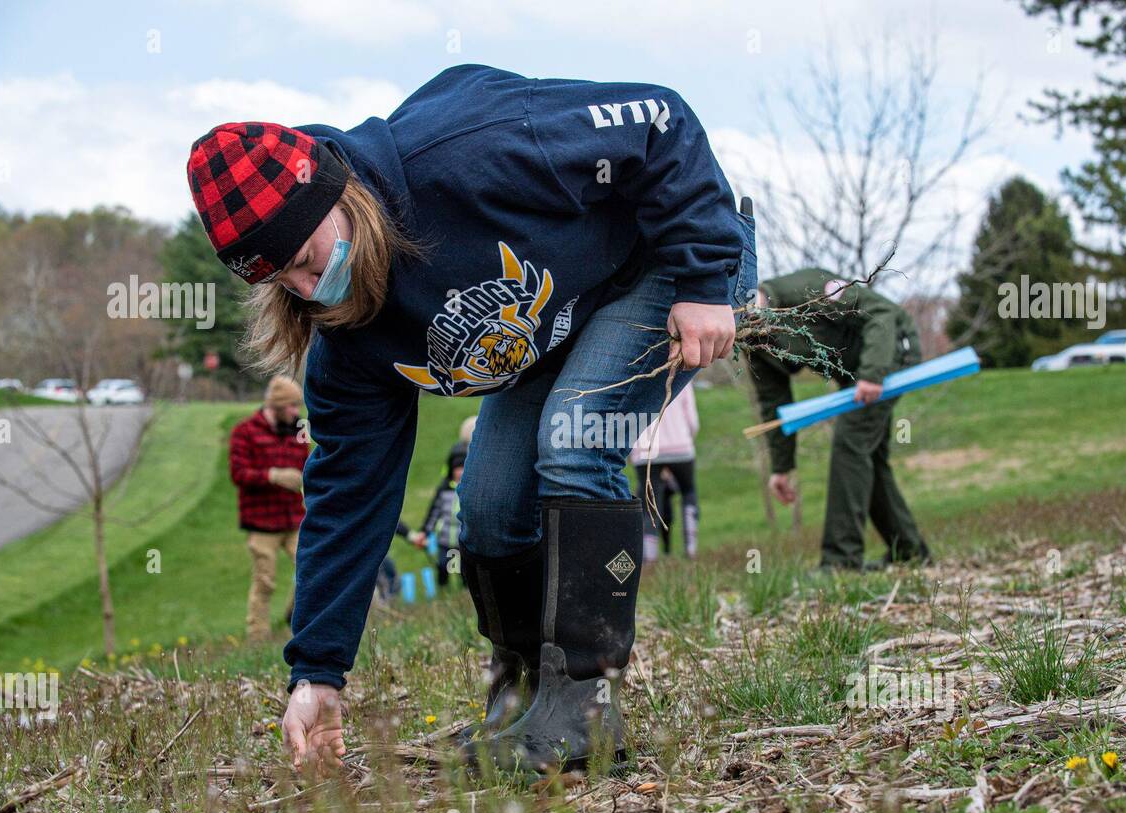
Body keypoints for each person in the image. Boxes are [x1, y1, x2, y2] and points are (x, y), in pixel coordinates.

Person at [185, 64, 756, 776]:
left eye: (306, 260)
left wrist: (704, 276)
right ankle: (521, 701)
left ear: (338, 195)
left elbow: (659, 120)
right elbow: (345, 498)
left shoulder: (476, 148)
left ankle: (583, 712)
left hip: (667, 264)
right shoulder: (346, 344)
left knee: (575, 439)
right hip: (561, 324)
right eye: (283, 282)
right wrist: (318, 674)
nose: (307, 289)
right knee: (484, 509)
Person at [749, 268, 930, 571]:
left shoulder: (807, 290)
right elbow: (773, 401)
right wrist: (781, 468)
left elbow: (882, 314)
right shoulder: (751, 338)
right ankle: (909, 552)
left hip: (891, 351)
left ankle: (841, 562)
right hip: (856, 377)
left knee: (851, 446)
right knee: (868, 456)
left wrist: (873, 373)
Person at [228, 375, 310, 643]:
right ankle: (257, 641)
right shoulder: (245, 431)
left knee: (311, 568)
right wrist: (272, 475)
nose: (297, 412)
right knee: (265, 582)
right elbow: (238, 474)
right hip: (261, 523)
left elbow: (309, 465)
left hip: (295, 518)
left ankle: (293, 616)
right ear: (275, 405)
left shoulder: (299, 431)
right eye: (291, 406)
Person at [629, 380, 699, 561]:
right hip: (680, 446)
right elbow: (692, 419)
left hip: (646, 450)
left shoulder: (638, 376)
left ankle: (650, 557)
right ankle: (691, 548)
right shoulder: (683, 374)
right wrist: (686, 437)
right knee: (688, 492)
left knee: (650, 504)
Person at [415, 445, 465, 588]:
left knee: (461, 569)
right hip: (444, 540)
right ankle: (444, 589)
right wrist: (425, 532)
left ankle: (464, 593)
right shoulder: (444, 490)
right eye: (457, 468)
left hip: (461, 540)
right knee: (443, 566)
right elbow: (434, 513)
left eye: (463, 468)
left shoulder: (468, 490)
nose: (460, 472)